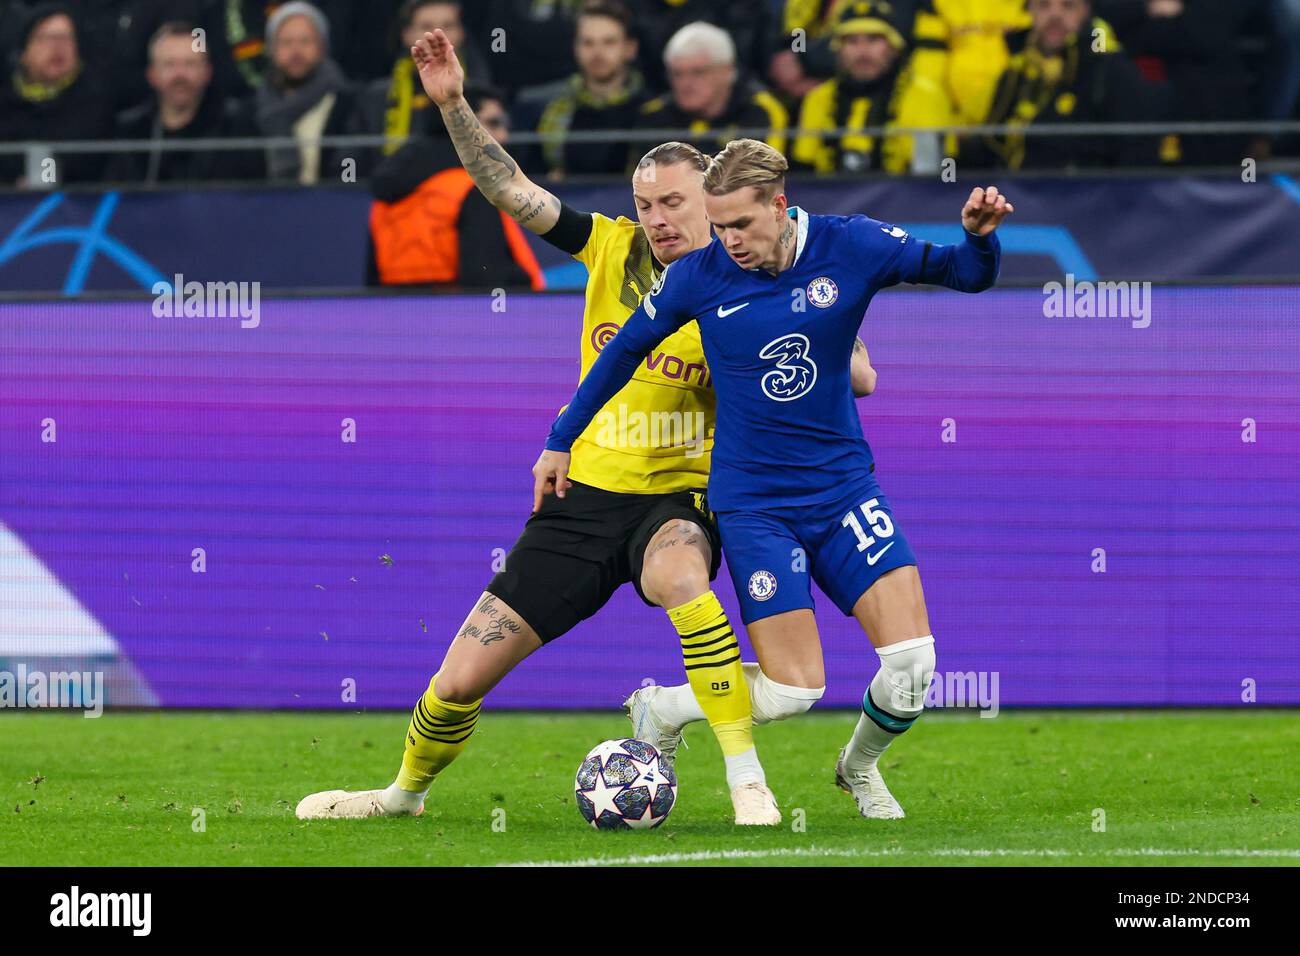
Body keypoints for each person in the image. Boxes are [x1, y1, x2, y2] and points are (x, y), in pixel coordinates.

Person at [296, 29, 876, 826]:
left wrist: (810, 318)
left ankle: (747, 780)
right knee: (460, 679)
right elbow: (509, 188)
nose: (658, 219)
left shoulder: (757, 277)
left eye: (674, 203)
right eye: (647, 205)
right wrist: (454, 104)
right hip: (581, 500)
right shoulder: (608, 248)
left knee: (683, 581)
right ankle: (404, 795)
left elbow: (857, 371)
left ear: (711, 201)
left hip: (682, 498)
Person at [533, 139, 1012, 819]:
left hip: (844, 491)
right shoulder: (698, 277)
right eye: (718, 225)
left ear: (779, 206)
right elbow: (619, 357)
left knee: (912, 668)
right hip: (754, 505)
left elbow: (965, 272)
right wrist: (560, 438)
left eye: (741, 225)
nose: (728, 240)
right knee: (793, 693)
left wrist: (979, 239)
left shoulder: (853, 245)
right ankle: (662, 706)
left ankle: (859, 768)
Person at [367, 85, 544, 289]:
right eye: (494, 123)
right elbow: (484, 280)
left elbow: (372, 286)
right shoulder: (471, 188)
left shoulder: (385, 193)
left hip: (397, 317)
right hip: (460, 316)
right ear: (463, 125)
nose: (503, 136)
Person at [791, 0, 952, 174]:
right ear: (837, 50)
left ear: (894, 47)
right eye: (852, 41)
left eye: (873, 39)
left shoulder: (924, 96)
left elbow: (928, 182)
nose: (863, 51)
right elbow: (804, 174)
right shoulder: (818, 98)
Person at [105, 21, 265, 184]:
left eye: (190, 64)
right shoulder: (131, 133)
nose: (180, 74)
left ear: (207, 72)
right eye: (169, 64)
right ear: (152, 75)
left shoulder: (237, 128)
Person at [514, 0, 648, 176]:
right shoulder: (547, 110)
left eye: (609, 42)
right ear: (575, 47)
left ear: (630, 48)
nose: (597, 52)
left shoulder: (651, 110)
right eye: (588, 42)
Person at [635, 22, 789, 165]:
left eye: (698, 72)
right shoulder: (654, 115)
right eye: (677, 73)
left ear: (727, 71)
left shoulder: (761, 111)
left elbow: (767, 180)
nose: (685, 83)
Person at [0, 4, 113, 186]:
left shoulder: (97, 103)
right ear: (24, 53)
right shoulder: (5, 104)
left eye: (66, 39)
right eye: (46, 39)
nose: (57, 47)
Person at [255, 1, 359, 184]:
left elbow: (350, 175)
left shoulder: (347, 107)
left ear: (322, 48)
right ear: (271, 50)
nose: (296, 51)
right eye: (286, 42)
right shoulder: (252, 110)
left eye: (305, 41)